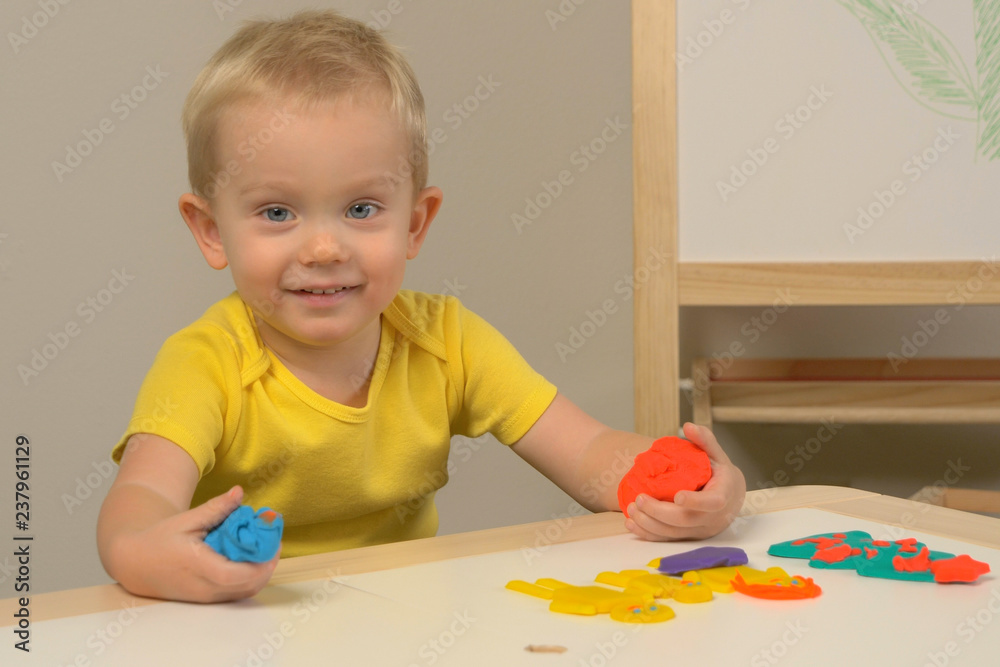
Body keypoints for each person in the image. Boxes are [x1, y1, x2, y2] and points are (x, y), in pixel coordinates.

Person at [96, 9, 746, 603]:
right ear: (211, 229)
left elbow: (590, 452)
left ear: (415, 221)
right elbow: (142, 500)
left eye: (361, 209)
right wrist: (143, 550)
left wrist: (685, 486)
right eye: (276, 212)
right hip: (244, 627)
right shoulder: (205, 363)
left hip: (410, 625)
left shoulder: (448, 342)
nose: (324, 247)